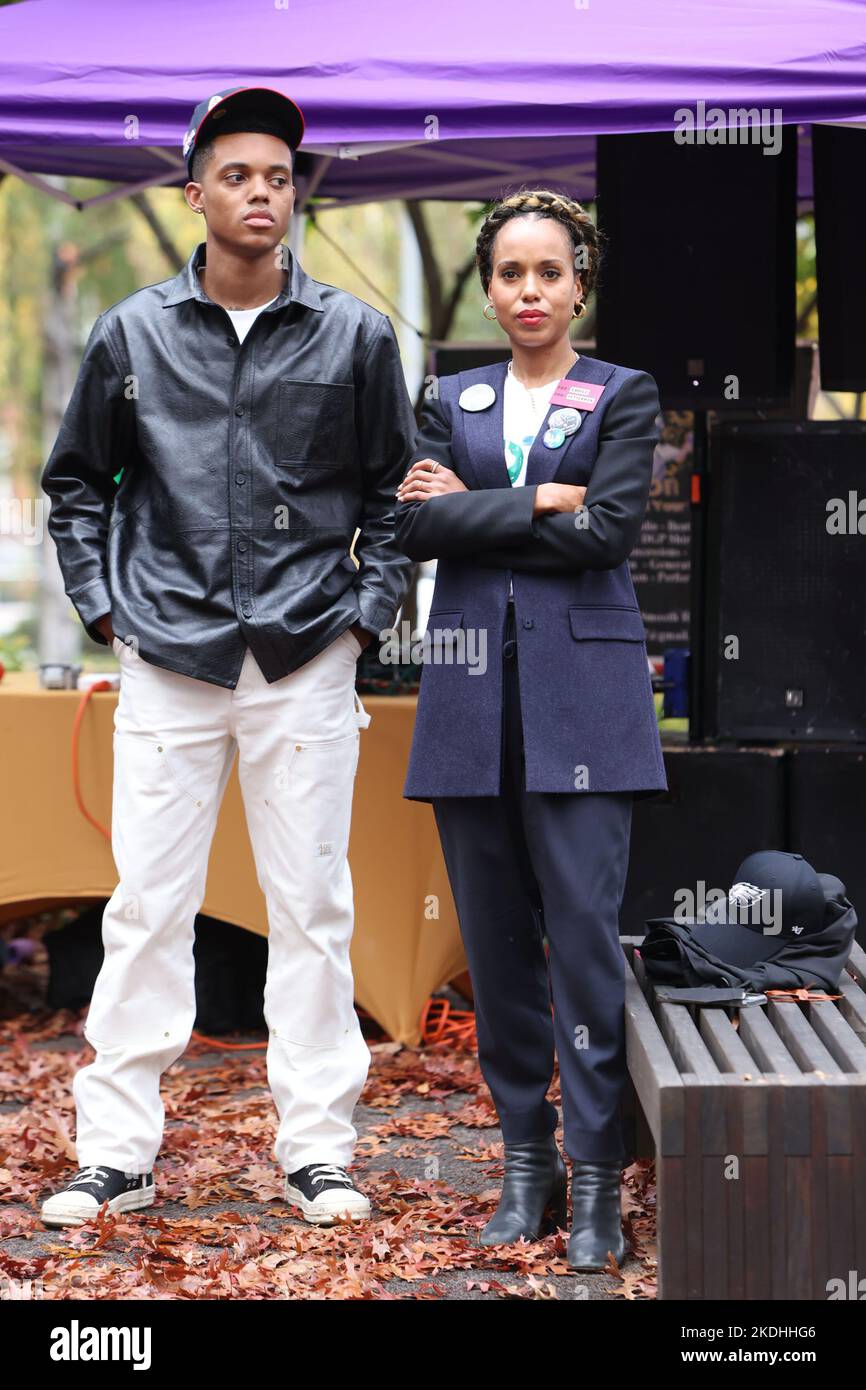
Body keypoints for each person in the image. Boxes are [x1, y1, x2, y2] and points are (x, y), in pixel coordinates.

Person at [38, 87, 415, 1228]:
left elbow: (393, 495)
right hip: (170, 654)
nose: (264, 193)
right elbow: (75, 488)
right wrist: (111, 612)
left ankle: (317, 1148)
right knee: (148, 904)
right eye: (240, 175)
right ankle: (116, 1151)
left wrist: (362, 619)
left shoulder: (352, 333)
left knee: (311, 907)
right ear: (192, 192)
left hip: (306, 654)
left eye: (280, 176)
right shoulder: (132, 332)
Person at [394, 189, 666, 1271]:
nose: (527, 291)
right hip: (467, 708)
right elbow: (411, 520)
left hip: (584, 711)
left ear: (577, 282)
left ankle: (596, 1179)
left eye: (547, 272)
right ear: (490, 284)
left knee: (586, 947)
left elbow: (607, 531)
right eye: (509, 273)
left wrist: (500, 505)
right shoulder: (448, 397)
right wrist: (543, 499)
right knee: (496, 951)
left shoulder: (621, 391)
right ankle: (525, 1166)